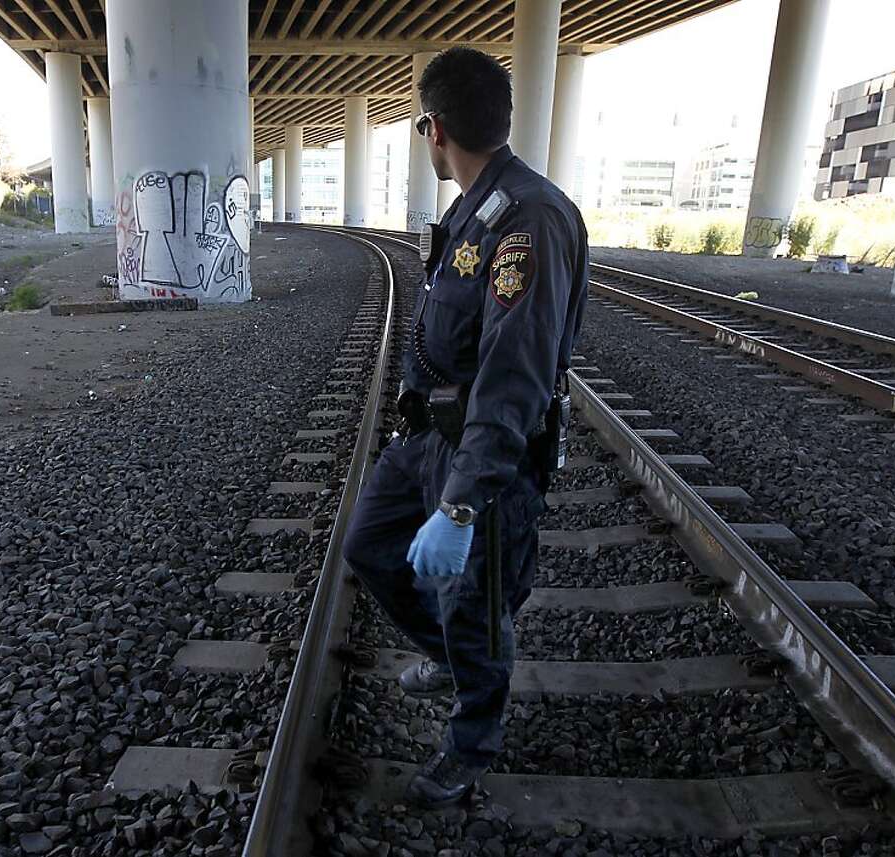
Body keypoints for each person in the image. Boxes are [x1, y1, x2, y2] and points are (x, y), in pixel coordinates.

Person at [343, 46, 589, 808]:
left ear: (435, 128)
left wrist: (460, 503)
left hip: (482, 457)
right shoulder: (476, 209)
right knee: (371, 547)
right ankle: (447, 657)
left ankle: (470, 744)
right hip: (429, 440)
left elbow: (514, 380)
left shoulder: (529, 220)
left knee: (477, 613)